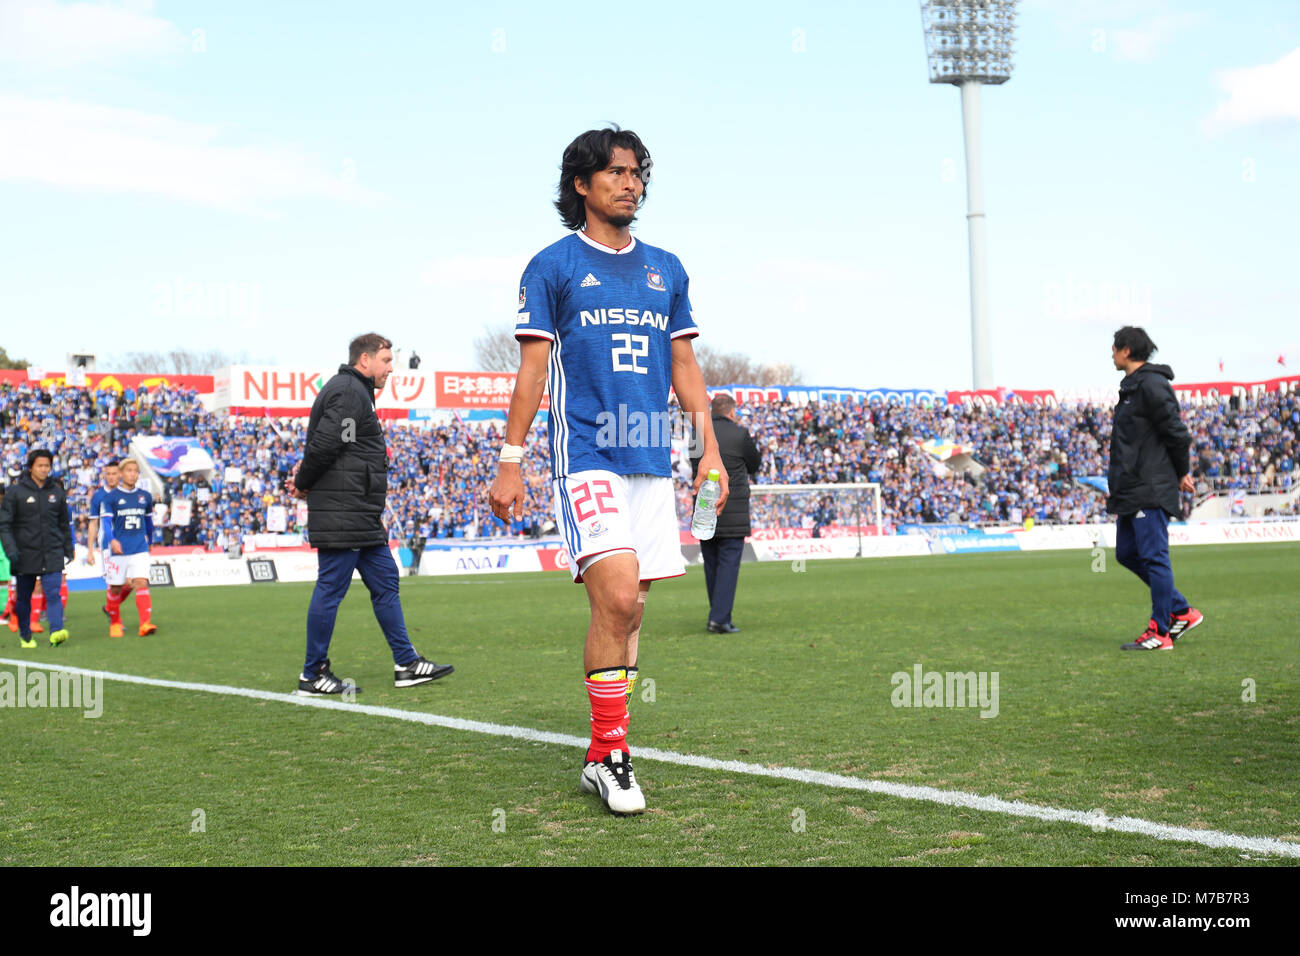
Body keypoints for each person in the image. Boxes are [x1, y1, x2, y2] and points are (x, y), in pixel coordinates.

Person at [488, 126, 727, 815]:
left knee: (633, 610)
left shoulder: (667, 269)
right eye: (617, 173)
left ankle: (601, 753)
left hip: (652, 455)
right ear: (582, 185)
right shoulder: (553, 266)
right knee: (617, 599)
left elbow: (685, 366)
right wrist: (511, 460)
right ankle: (614, 756)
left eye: (637, 173)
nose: (631, 184)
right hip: (588, 453)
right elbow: (532, 371)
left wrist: (707, 447)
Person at [286, 333, 453, 695]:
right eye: (387, 361)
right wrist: (302, 482)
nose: (391, 368)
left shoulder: (356, 391)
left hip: (359, 512)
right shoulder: (349, 391)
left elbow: (343, 446)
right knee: (331, 588)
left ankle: (407, 664)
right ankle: (312, 674)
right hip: (343, 510)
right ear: (365, 360)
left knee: (385, 581)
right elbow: (329, 443)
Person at [1108, 326, 1204, 651]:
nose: (1111, 354)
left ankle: (1161, 632)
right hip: (1132, 488)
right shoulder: (1133, 388)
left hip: (1149, 485)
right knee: (1127, 553)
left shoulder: (1152, 384)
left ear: (1125, 351)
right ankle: (1182, 610)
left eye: (1114, 348)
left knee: (1154, 557)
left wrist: (1182, 472)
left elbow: (1177, 432)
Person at [691, 393, 761, 633]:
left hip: (705, 509)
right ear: (732, 412)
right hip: (733, 508)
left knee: (711, 564)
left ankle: (717, 614)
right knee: (728, 565)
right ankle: (719, 619)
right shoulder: (740, 434)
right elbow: (755, 464)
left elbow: (694, 465)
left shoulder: (697, 434)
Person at [0, 449, 73, 647]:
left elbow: (64, 523)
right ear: (31, 467)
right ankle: (26, 636)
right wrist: (10, 549)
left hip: (52, 551)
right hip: (24, 553)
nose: (44, 469)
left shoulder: (56, 492)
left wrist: (68, 547)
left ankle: (56, 631)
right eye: (40, 465)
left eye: (47, 466)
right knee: (24, 596)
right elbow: (4, 525)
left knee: (53, 592)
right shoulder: (15, 492)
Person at [103, 459, 158, 637]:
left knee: (141, 582)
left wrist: (150, 540)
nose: (132, 474)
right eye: (129, 471)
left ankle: (145, 624)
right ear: (121, 473)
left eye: (136, 471)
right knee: (116, 588)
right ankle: (115, 622)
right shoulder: (111, 497)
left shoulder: (145, 496)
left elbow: (148, 521)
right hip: (119, 550)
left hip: (140, 548)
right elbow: (105, 522)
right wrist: (112, 540)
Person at [86, 459, 121, 631]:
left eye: (114, 473)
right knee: (114, 583)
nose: (111, 477)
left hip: (129, 543)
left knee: (131, 582)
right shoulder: (98, 496)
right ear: (104, 475)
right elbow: (93, 523)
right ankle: (116, 621)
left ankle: (109, 607)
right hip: (108, 545)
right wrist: (90, 550)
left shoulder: (127, 493)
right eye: (108, 474)